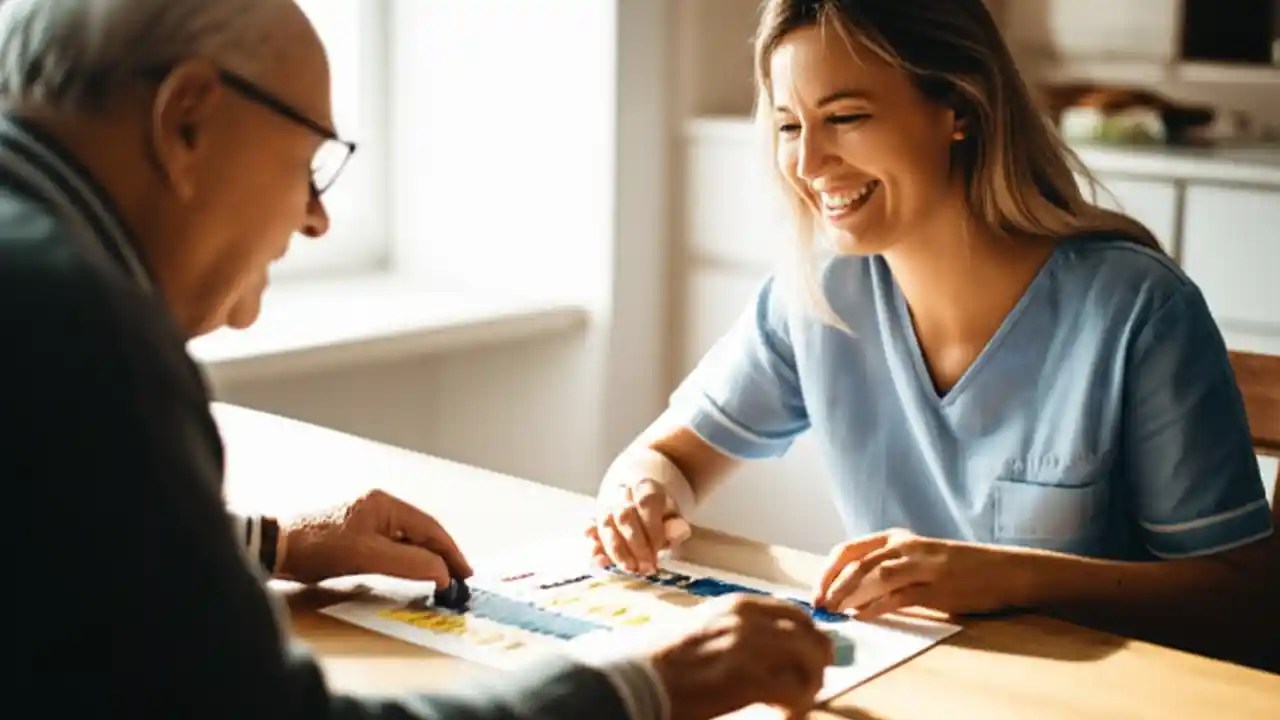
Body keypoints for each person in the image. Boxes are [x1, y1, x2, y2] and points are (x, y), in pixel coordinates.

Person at [0, 0, 834, 717]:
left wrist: (273, 546)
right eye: (309, 164)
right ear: (186, 120)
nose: (315, 219)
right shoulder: (85, 333)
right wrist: (647, 689)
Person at [590, 0, 1277, 669]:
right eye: (789, 125)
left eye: (847, 117)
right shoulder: (819, 296)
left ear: (961, 109)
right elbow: (664, 459)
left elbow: (1244, 602)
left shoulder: (1138, 310)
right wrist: (638, 494)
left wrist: (1015, 579)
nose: (807, 163)